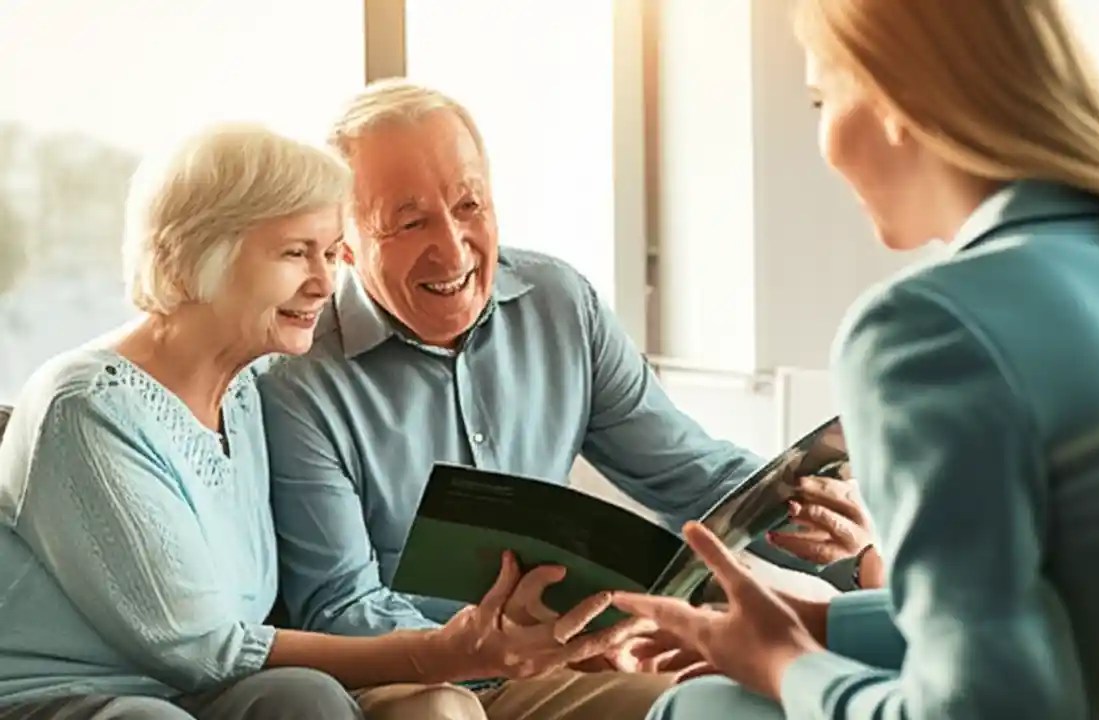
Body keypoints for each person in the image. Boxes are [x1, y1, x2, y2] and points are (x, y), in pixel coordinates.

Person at [611, 0, 1099, 718]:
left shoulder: (928, 327)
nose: (824, 141)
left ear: (897, 99)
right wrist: (824, 625)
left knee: (705, 709)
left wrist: (786, 665)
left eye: (821, 98)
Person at [255, 78, 875, 720]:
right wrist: (478, 648)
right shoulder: (296, 377)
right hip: (408, 676)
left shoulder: (560, 305)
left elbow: (696, 476)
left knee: (725, 706)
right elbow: (339, 608)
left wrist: (852, 555)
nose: (451, 246)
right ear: (347, 242)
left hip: (551, 667)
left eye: (470, 206)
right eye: (410, 223)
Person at [0, 122, 632, 720]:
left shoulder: (246, 393)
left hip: (194, 693)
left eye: (331, 252)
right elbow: (201, 648)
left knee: (307, 698)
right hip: (74, 696)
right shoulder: (85, 404)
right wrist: (446, 651)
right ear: (195, 255)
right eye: (297, 252)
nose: (325, 282)